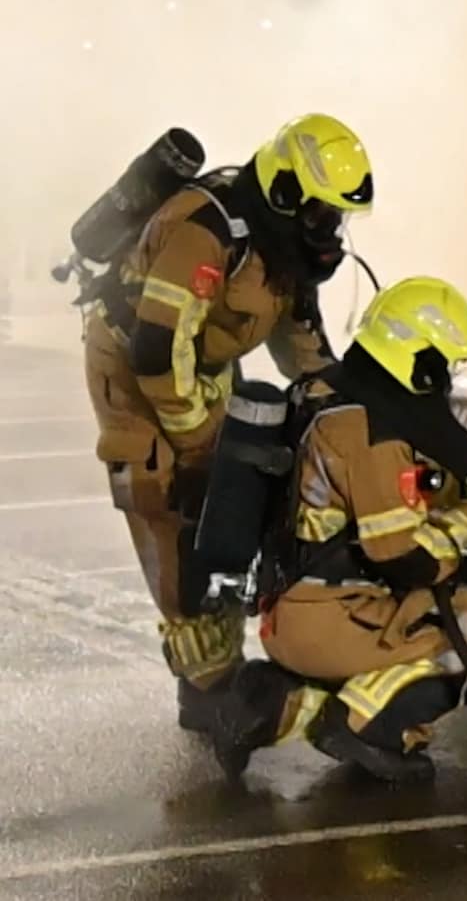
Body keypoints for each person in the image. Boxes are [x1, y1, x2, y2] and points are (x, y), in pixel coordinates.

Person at [85, 113, 374, 729]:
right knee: (167, 498)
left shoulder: (279, 245)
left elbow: (305, 348)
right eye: (323, 215)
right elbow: (158, 354)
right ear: (286, 193)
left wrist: (352, 414)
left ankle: (225, 659)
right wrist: (194, 451)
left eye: (338, 219)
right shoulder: (206, 232)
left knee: (232, 509)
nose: (331, 233)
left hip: (202, 361)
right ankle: (207, 687)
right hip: (134, 364)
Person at [209, 277, 467, 784]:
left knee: (413, 610)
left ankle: (272, 703)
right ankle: (366, 726)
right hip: (334, 619)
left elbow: (370, 503)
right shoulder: (371, 433)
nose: (447, 378)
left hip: (289, 610)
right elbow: (405, 558)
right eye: (445, 363)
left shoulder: (327, 391)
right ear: (417, 357)